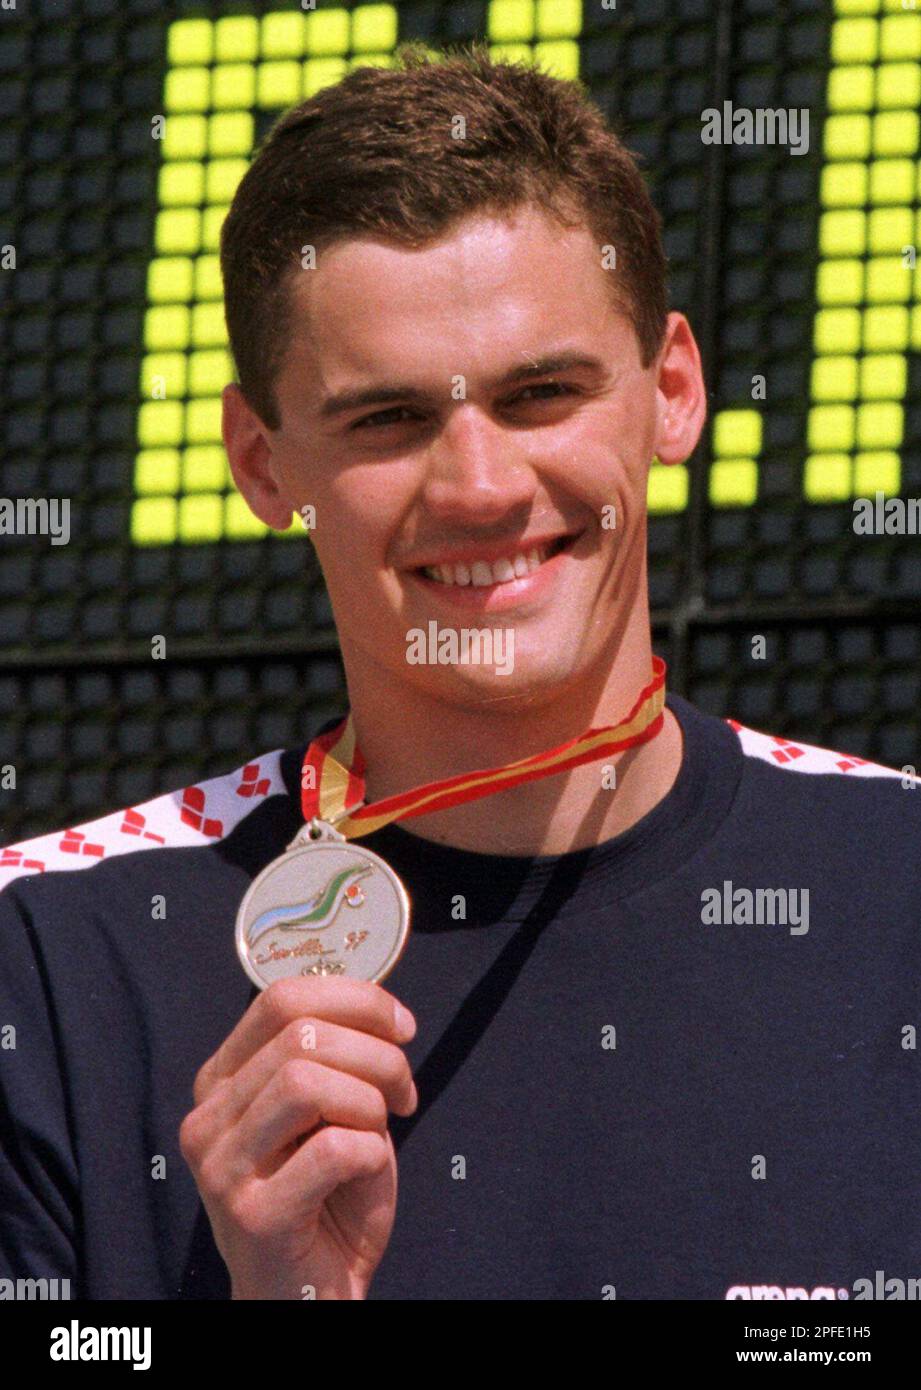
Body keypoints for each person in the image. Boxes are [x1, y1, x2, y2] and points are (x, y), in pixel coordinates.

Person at [2, 42, 919, 1303]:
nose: (482, 487)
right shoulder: (47, 966)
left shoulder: (899, 884)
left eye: (542, 392)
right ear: (263, 464)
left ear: (672, 390)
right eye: (388, 418)